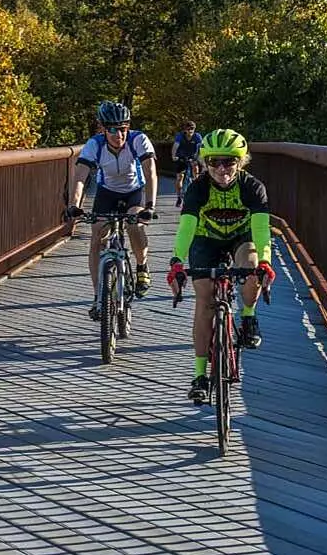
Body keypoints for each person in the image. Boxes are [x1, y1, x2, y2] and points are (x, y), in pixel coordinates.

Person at [164, 128, 277, 402]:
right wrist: (176, 262)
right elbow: (186, 228)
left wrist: (265, 263)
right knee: (204, 302)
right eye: (214, 162)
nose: (222, 169)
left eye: (229, 161)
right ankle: (200, 374)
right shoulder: (198, 188)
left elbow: (262, 230)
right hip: (206, 239)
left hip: (241, 238)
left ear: (241, 162)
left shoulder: (252, 188)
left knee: (251, 266)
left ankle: (248, 316)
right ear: (205, 163)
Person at [63, 100, 158, 314]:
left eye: (123, 129)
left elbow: (150, 171)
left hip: (134, 191)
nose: (119, 135)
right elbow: (80, 176)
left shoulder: (138, 140)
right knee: (97, 234)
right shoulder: (94, 144)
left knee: (135, 225)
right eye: (113, 130)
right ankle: (99, 297)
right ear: (103, 129)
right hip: (107, 192)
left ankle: (142, 266)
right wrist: (74, 205)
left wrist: (150, 205)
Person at [172, 120, 204, 208]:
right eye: (188, 129)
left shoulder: (197, 136)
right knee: (180, 177)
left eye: (192, 129)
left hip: (192, 157)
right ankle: (179, 197)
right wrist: (174, 156)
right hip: (181, 158)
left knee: (195, 170)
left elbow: (200, 147)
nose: (190, 131)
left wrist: (199, 158)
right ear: (185, 129)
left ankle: (196, 190)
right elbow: (175, 146)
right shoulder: (180, 136)